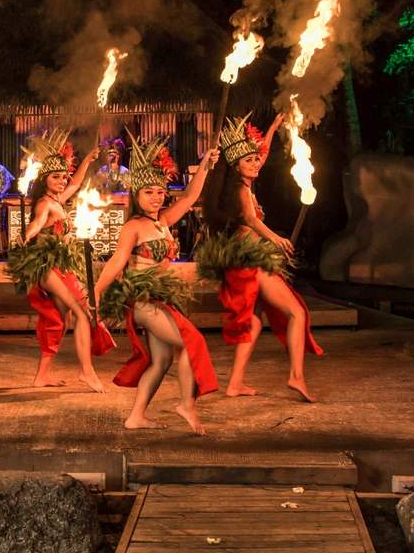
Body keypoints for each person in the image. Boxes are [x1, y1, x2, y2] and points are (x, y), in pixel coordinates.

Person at [94, 135, 220, 434]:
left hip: (161, 300)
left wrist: (204, 166)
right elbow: (116, 262)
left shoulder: (162, 221)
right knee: (193, 343)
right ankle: (186, 404)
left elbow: (189, 198)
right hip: (144, 301)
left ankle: (135, 416)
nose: (156, 197)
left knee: (161, 361)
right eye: (149, 192)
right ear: (136, 194)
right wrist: (97, 293)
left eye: (161, 192)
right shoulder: (133, 227)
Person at [196, 113, 323, 403]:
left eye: (255, 160)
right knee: (297, 312)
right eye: (249, 161)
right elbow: (252, 221)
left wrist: (274, 128)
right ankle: (296, 376)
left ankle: (235, 383)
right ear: (236, 166)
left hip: (244, 262)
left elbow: (261, 154)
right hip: (251, 261)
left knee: (253, 322)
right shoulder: (240, 190)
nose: (256, 164)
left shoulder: (244, 183)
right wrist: (276, 238)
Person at [4, 129, 115, 391]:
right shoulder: (45, 203)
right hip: (47, 265)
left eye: (63, 176)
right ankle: (87, 371)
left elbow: (76, 184)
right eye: (56, 177)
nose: (63, 181)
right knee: (81, 312)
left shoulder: (58, 200)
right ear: (45, 179)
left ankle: (42, 376)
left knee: (59, 318)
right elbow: (38, 222)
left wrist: (87, 159)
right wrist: (27, 235)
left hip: (59, 265)